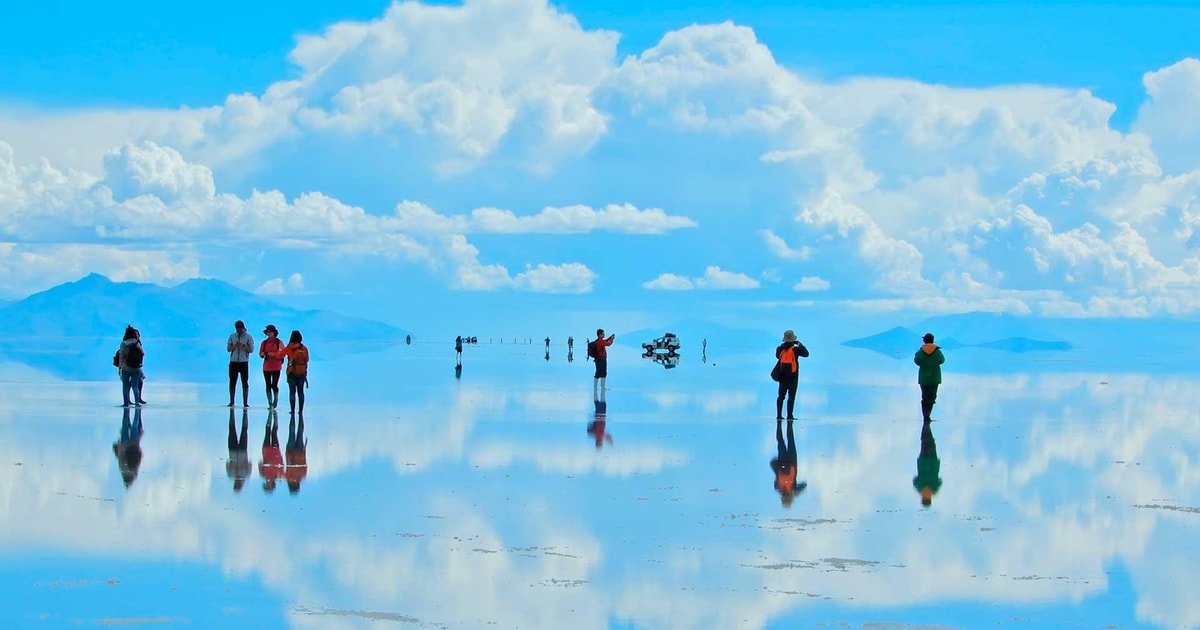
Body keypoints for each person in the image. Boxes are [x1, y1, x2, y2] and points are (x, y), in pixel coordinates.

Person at [773, 330, 809, 420]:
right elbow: (806, 354)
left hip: (782, 376)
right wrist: (800, 344)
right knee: (791, 396)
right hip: (793, 376)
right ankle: (789, 415)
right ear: (793, 339)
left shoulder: (780, 349)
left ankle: (779, 415)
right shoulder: (796, 349)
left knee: (781, 396)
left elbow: (778, 356)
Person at [770, 419, 806, 507]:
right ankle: (781, 426)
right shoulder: (778, 488)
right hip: (783, 461)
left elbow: (804, 485)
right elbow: (775, 482)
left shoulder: (793, 489)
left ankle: (787, 425)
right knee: (781, 442)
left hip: (791, 462)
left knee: (790, 440)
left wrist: (796, 493)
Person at [914, 333, 946, 421]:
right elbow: (942, 360)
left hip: (923, 378)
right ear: (932, 340)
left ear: (924, 340)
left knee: (924, 397)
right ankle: (928, 415)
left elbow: (917, 361)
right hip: (934, 378)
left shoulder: (920, 352)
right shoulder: (937, 352)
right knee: (932, 397)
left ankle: (925, 415)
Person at [278, 330, 309, 415]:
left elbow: (279, 355)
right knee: (301, 392)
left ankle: (292, 410)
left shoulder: (290, 348)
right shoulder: (304, 348)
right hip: (302, 372)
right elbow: (307, 360)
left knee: (292, 392)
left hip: (291, 372)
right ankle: (301, 411)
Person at [112, 406, 144, 488]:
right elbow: (121, 457)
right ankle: (132, 411)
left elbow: (138, 458)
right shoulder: (126, 470)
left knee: (134, 427)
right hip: (126, 446)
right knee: (125, 427)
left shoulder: (134, 471)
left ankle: (136, 412)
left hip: (134, 446)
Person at [115, 325, 145, 407]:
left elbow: (121, 356)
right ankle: (137, 403)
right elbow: (142, 353)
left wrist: (120, 367)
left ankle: (126, 403)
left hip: (126, 367)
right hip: (136, 368)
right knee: (135, 385)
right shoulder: (136, 343)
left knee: (125, 386)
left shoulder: (123, 344)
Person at [913, 420, 942, 507]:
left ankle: (926, 425)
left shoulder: (934, 490)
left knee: (930, 442)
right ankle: (926, 425)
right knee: (925, 442)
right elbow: (915, 480)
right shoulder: (920, 489)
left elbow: (940, 481)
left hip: (932, 461)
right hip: (923, 462)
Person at [227, 320, 254, 407]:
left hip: (243, 362)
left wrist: (243, 346)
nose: (239, 330)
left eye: (240, 328)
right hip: (233, 362)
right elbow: (228, 349)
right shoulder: (232, 336)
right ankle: (232, 401)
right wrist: (234, 345)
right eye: (237, 328)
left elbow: (251, 350)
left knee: (245, 382)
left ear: (243, 328)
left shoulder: (248, 337)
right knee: (232, 382)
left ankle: (245, 402)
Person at [259, 324, 284, 409]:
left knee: (274, 384)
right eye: (268, 332)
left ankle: (275, 400)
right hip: (266, 367)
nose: (269, 333)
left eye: (271, 332)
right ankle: (270, 402)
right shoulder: (264, 342)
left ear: (274, 332)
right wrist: (264, 354)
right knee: (268, 385)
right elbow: (260, 353)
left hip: (276, 366)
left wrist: (272, 354)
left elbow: (282, 354)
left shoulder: (279, 342)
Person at [226, 408, 250, 492]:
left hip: (234, 452)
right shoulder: (245, 474)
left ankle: (236, 414)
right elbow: (249, 464)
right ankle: (244, 414)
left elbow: (228, 464)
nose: (237, 482)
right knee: (243, 431)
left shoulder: (232, 474)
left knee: (233, 429)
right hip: (241, 453)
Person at [259, 410, 283, 493]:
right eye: (268, 485)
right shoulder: (277, 475)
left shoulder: (263, 475)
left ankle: (270, 417)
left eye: (266, 485)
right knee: (274, 433)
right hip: (275, 452)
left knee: (267, 432)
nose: (267, 483)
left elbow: (260, 464)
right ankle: (275, 418)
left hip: (266, 451)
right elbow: (281, 464)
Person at [285, 412, 308, 495]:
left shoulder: (302, 475)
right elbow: (289, 463)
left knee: (299, 432)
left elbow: (304, 462)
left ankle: (296, 417)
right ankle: (297, 416)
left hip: (299, 452)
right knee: (293, 432)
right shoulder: (291, 476)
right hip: (295, 452)